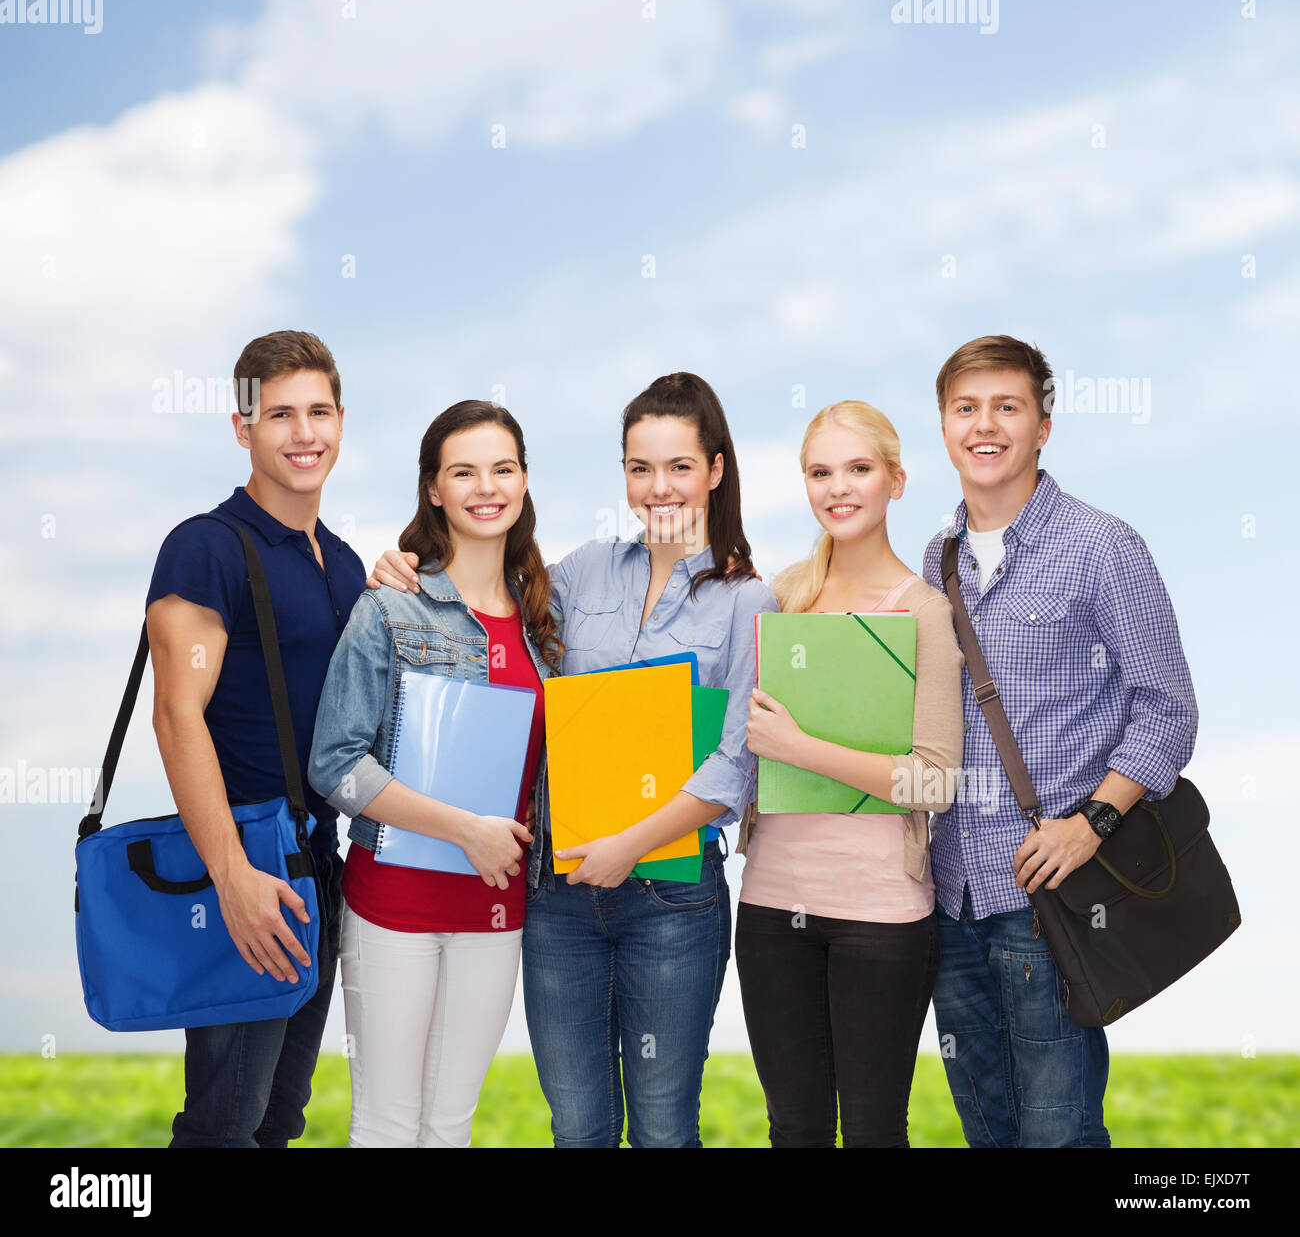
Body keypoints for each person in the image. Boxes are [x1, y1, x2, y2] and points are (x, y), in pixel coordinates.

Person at [372, 371, 777, 1147]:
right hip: (558, 898)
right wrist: (399, 567)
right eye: (639, 467)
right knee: (579, 1126)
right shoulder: (582, 570)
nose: (658, 487)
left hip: (672, 898)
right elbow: (480, 601)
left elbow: (736, 764)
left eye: (679, 466)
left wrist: (631, 845)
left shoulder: (746, 603)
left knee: (662, 1127)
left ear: (716, 469)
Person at [922, 334, 1198, 1148]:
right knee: (989, 1131)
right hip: (950, 897)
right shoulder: (934, 561)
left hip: (1053, 901)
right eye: (966, 409)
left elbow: (1168, 711)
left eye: (1007, 406)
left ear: (1043, 425)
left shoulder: (1102, 546)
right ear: (943, 427)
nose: (986, 426)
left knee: (1061, 1132)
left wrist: (1091, 824)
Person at [308, 401, 557, 1147]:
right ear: (434, 489)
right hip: (393, 906)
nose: (487, 486)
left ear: (523, 481)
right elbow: (336, 765)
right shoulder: (390, 606)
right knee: (387, 1124)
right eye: (464, 471)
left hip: (496, 909)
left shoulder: (549, 623)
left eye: (503, 468)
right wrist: (465, 830)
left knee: (449, 1126)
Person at [146, 330, 366, 1148]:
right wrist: (231, 872)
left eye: (317, 411)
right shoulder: (206, 547)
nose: (302, 432)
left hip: (320, 871)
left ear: (342, 421)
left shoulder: (342, 565)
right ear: (243, 428)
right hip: (246, 868)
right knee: (222, 1126)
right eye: (279, 414)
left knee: (277, 1120)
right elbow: (177, 715)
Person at [737, 400, 964, 1147]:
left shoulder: (924, 612)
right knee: (794, 1128)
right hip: (772, 908)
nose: (839, 487)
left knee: (871, 1131)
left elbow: (936, 781)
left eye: (859, 469)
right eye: (820, 471)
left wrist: (800, 747)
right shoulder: (780, 597)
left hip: (882, 917)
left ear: (896, 480)